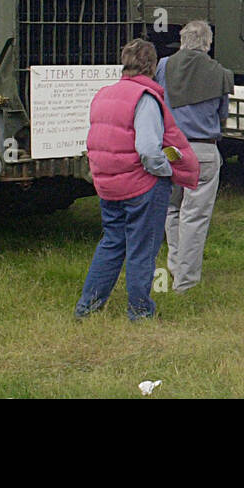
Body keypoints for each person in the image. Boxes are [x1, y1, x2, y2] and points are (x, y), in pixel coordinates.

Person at [76, 39, 199, 320]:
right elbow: (147, 148)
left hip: (108, 184)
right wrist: (166, 171)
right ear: (153, 66)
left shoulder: (104, 94)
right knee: (142, 249)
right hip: (141, 185)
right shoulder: (145, 97)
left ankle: (88, 308)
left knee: (112, 243)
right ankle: (140, 311)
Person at [156, 20, 233, 293]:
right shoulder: (222, 74)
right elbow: (222, 116)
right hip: (203, 149)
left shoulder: (164, 66)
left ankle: (175, 269)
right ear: (208, 44)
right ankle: (185, 283)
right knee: (195, 216)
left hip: (171, 149)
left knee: (171, 208)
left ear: (182, 39)